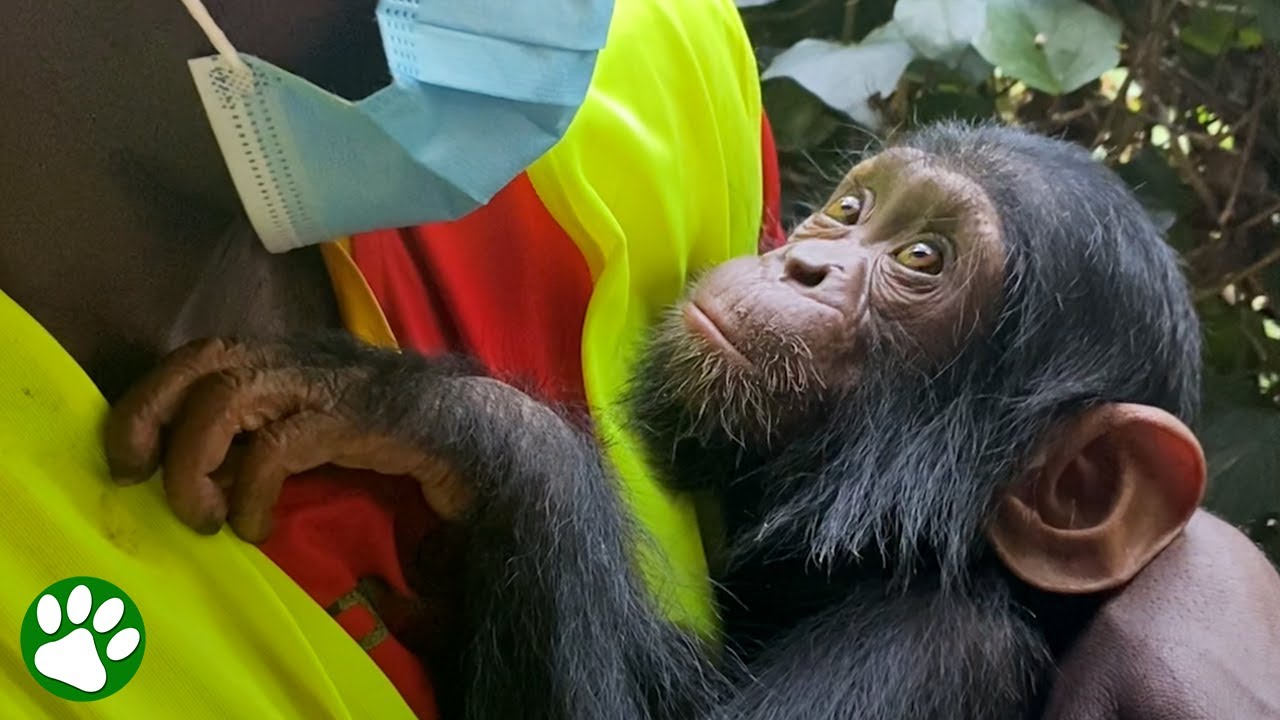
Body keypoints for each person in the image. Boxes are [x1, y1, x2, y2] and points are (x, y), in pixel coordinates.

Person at [0, 0, 1274, 718]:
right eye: (847, 210)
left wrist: (525, 469)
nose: (802, 258)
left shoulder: (952, 649)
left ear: (1066, 495)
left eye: (923, 265)